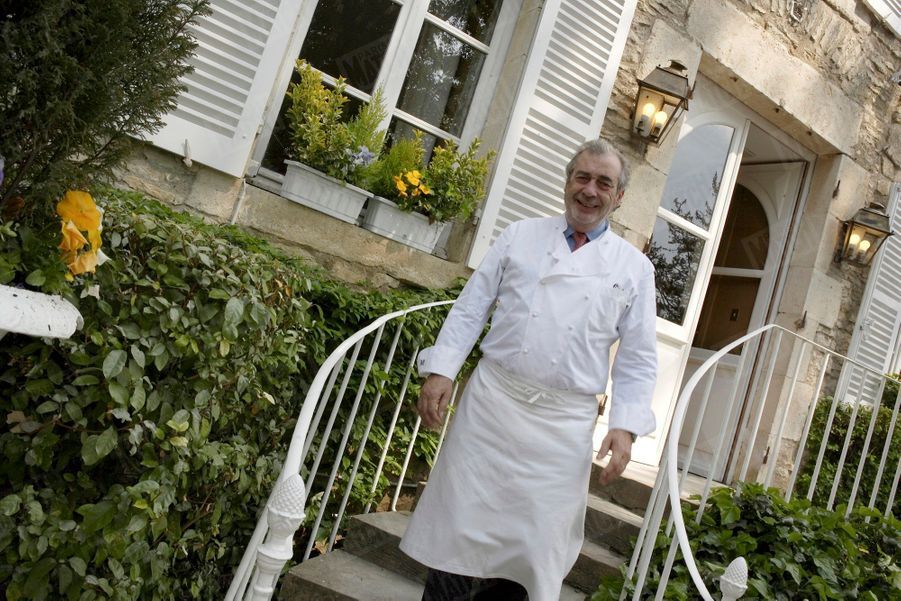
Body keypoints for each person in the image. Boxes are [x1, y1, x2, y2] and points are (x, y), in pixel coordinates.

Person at [399, 139, 657, 601]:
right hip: (492, 409)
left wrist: (625, 426)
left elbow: (638, 355)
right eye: (582, 177)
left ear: (619, 197)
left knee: (532, 549)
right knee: (459, 528)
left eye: (604, 183)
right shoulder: (519, 235)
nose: (590, 190)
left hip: (562, 430)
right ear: (567, 181)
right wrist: (442, 370)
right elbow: (472, 306)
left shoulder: (635, 269)